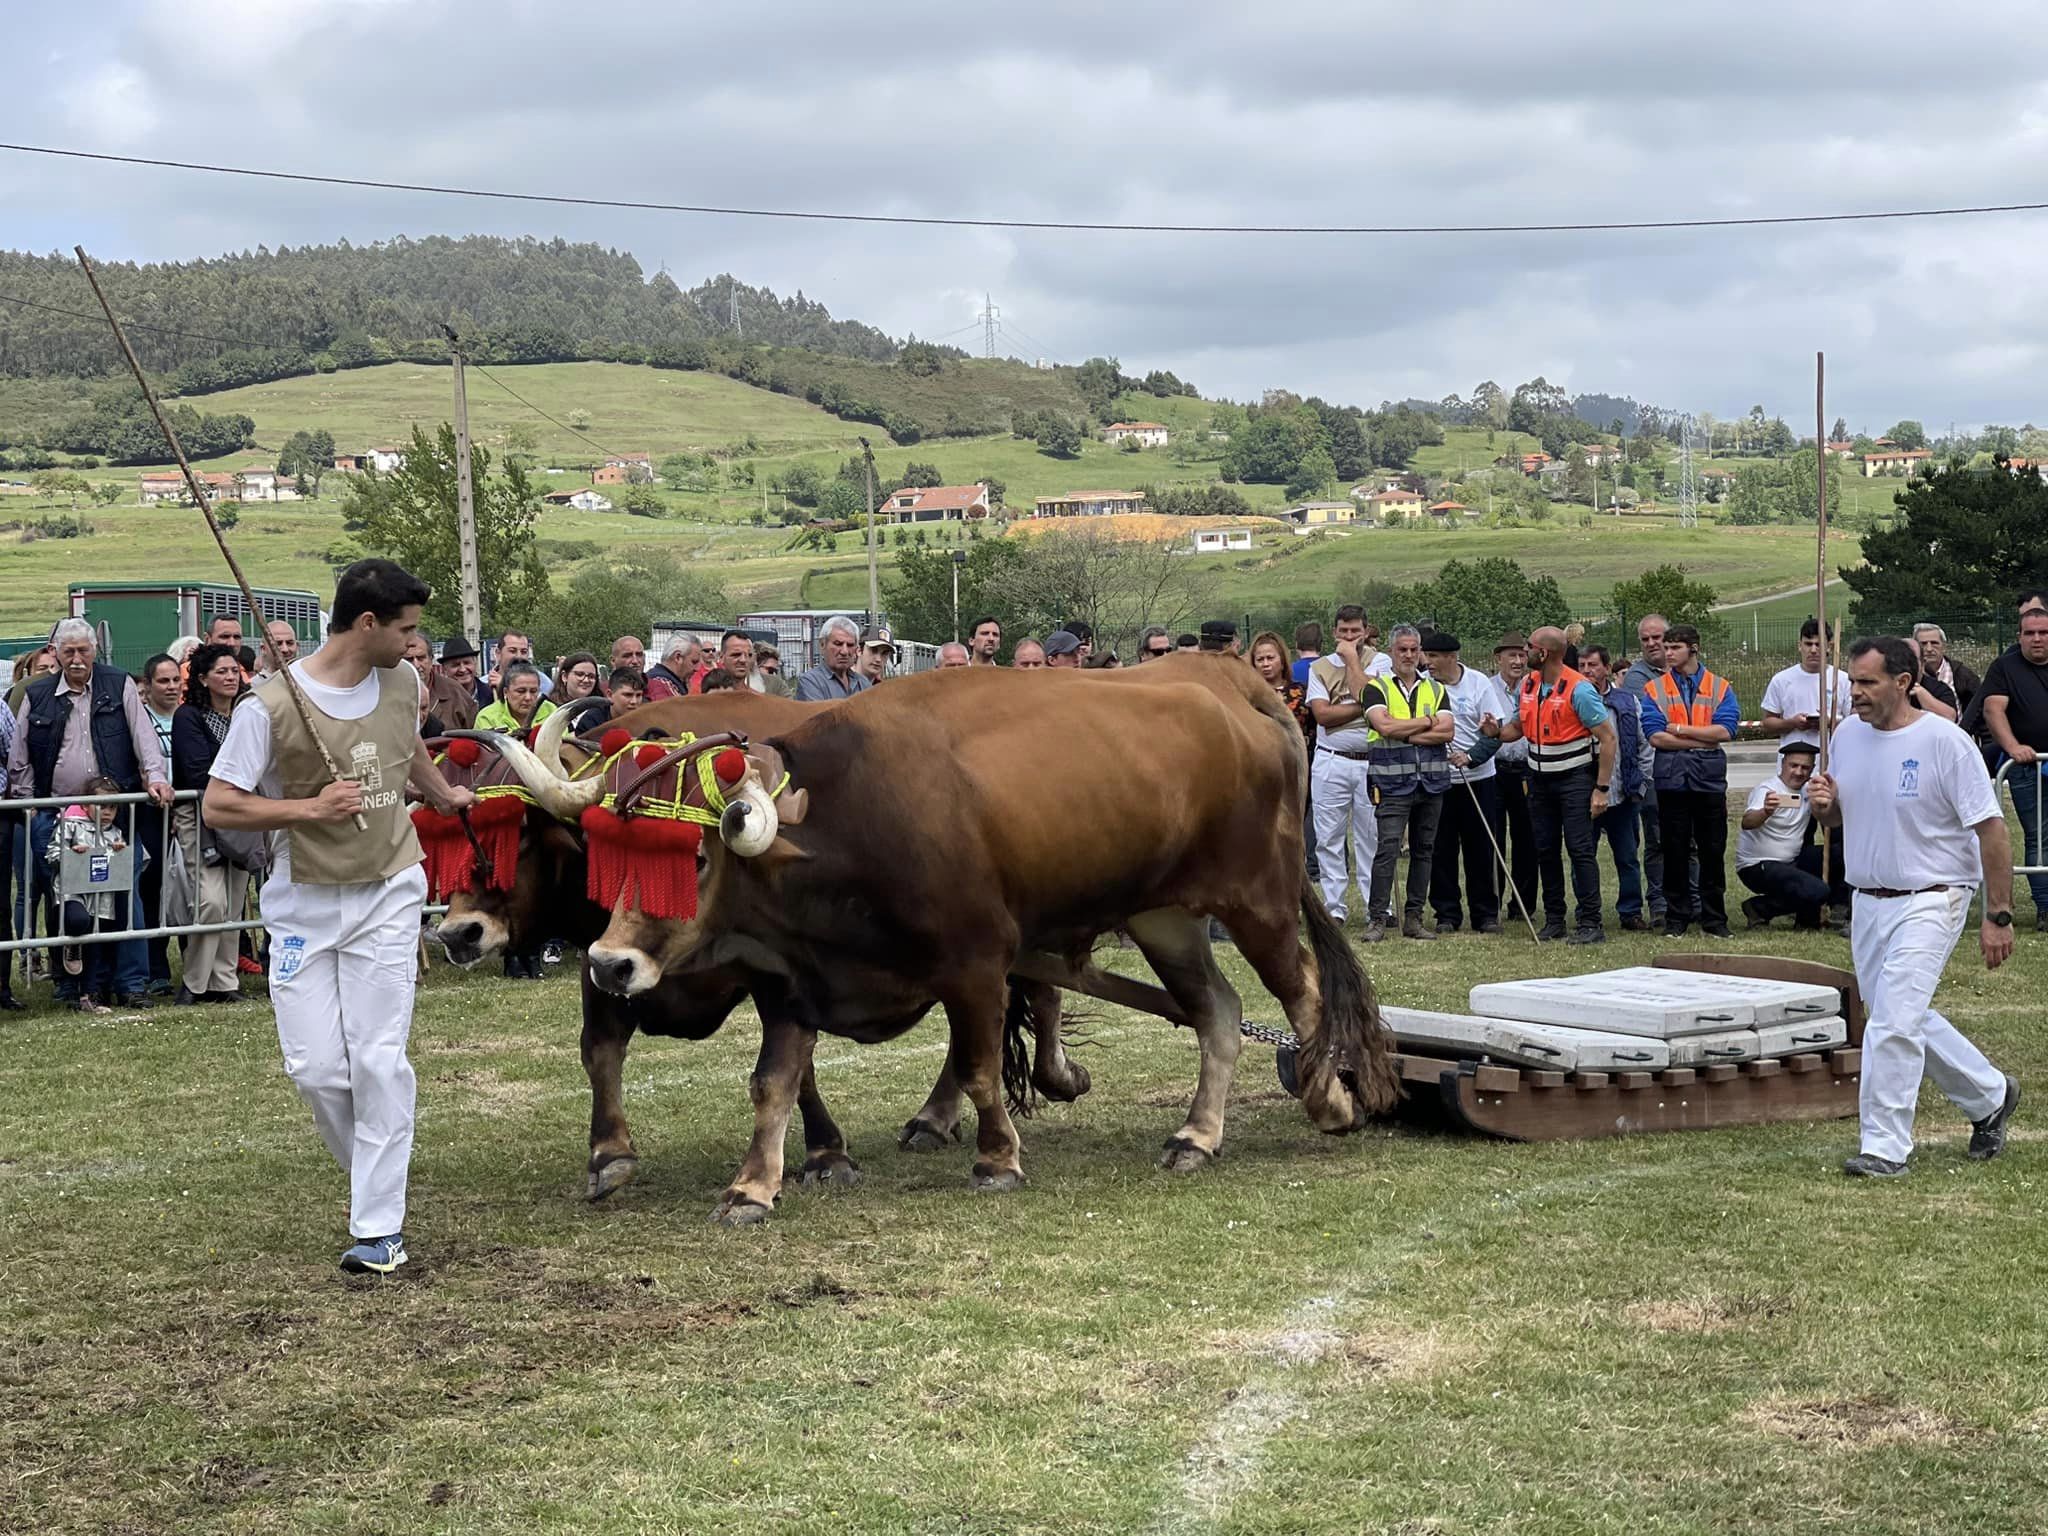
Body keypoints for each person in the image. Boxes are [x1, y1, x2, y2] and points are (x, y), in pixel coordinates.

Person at [204, 558, 474, 1273]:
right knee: (317, 1069)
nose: (417, 646)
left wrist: (440, 790)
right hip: (304, 905)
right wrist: (307, 808)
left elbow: (402, 745)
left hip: (390, 889)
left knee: (379, 1059)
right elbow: (219, 803)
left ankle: (379, 1228)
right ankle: (377, 1168)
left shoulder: (403, 682)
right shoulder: (270, 705)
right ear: (366, 624)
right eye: (407, 631)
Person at [1804, 636, 2021, 1178]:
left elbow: (1991, 832)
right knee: (1900, 1016)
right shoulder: (1847, 737)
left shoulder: (1945, 742)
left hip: (1935, 895)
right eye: (1852, 681)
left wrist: (1998, 914)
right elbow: (1839, 821)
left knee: (1893, 1023)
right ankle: (1990, 1095)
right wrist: (1825, 809)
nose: (1854, 693)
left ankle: (1884, 1147)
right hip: (1869, 899)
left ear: (1903, 684)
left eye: (1867, 682)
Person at [7, 617, 174, 1009]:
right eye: (69, 651)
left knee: (125, 894)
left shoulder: (119, 685)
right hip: (59, 812)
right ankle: (74, 985)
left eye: (83, 650)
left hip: (116, 809)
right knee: (63, 899)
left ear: (95, 650)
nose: (77, 658)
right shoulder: (38, 693)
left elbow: (143, 736)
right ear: (56, 653)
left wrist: (154, 777)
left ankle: (130, 982)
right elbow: (20, 753)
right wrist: (31, 804)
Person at [1488, 626, 1617, 945]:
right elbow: (1517, 727)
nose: (1523, 652)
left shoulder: (1579, 689)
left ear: (1543, 653)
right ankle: (1555, 919)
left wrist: (1600, 788)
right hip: (1538, 779)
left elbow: (1608, 737)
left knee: (1580, 849)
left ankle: (1590, 922)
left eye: (1528, 647)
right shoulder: (1529, 684)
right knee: (1544, 849)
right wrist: (1495, 732)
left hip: (1574, 779)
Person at [1639, 623, 1739, 938]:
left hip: (1708, 781)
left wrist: (1680, 730)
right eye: (1666, 648)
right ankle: (1676, 917)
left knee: (1712, 849)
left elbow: (1726, 731)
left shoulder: (1719, 686)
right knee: (1674, 849)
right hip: (1671, 780)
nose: (1667, 653)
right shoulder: (1654, 689)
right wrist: (1701, 740)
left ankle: (1714, 919)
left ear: (1693, 648)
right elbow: (1655, 736)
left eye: (1674, 647)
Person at [171, 641, 255, 1005]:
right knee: (211, 902)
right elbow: (194, 770)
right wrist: (236, 780)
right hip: (201, 814)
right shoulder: (188, 717)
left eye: (233, 670)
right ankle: (194, 981)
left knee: (235, 899)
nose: (230, 677)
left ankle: (224, 982)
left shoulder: (247, 713)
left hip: (243, 814)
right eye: (221, 671)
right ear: (202, 678)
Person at [1362, 625, 1453, 941]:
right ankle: (1377, 918)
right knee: (1386, 850)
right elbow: (1384, 726)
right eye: (1403, 649)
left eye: (1414, 649)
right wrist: (1428, 722)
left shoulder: (1436, 689)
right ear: (1391, 652)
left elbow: (1448, 732)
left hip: (1431, 782)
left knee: (1424, 851)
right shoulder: (1376, 689)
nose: (1409, 655)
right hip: (1392, 783)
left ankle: (1414, 918)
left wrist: (1408, 731)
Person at [1307, 604, 1394, 926]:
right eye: (1343, 631)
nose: (1348, 637)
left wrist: (1353, 661)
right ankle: (1334, 908)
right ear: (1334, 632)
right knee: (1328, 836)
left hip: (1370, 761)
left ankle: (1378, 906)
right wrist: (1366, 707)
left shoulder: (1381, 661)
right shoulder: (1319, 667)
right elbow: (1323, 716)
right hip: (1331, 761)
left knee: (1370, 835)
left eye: (1355, 631)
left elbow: (1369, 695)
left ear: (1366, 631)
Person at [1423, 632, 1508, 935]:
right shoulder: (1423, 685)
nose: (1427, 662)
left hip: (1477, 778)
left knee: (1480, 848)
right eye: (1426, 656)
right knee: (1440, 849)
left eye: (1433, 657)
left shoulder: (1478, 683)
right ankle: (1446, 913)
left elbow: (1495, 732)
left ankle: (1485, 913)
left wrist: (1471, 756)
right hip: (1438, 780)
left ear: (1451, 657)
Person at [1975, 604, 2048, 927]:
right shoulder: (2004, 668)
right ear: (2019, 637)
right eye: (2029, 633)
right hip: (2027, 768)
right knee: (2038, 838)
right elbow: (1993, 710)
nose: (2037, 639)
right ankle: (2046, 908)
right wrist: (2013, 746)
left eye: (2043, 633)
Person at [46, 774, 141, 1014]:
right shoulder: (70, 825)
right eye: (101, 806)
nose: (107, 812)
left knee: (100, 946)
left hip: (103, 898)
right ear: (86, 805)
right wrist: (73, 854)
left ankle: (91, 996)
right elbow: (52, 854)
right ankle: (71, 952)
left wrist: (119, 851)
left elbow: (119, 865)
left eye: (112, 807)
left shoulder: (116, 833)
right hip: (72, 894)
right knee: (78, 922)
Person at [1737, 741, 1846, 931]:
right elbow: (1747, 822)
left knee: (1840, 855)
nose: (1798, 772)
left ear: (1812, 769)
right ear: (1782, 765)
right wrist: (1766, 811)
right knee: (1818, 890)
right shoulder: (1767, 790)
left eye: (1805, 767)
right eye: (1793, 766)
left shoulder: (1808, 790)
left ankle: (1815, 918)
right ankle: (1758, 908)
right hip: (1758, 866)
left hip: (1792, 861)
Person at [1581, 644, 1650, 931]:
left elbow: (1642, 742)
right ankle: (1587, 911)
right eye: (1582, 666)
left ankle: (1631, 911)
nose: (1587, 671)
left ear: (1607, 668)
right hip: (1585, 794)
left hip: (1623, 792)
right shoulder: (1574, 700)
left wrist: (1643, 781)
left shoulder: (1627, 701)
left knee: (1627, 856)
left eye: (1593, 665)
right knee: (1583, 856)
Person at [137, 652, 185, 993]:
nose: (170, 687)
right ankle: (156, 970)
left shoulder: (188, 717)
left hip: (187, 813)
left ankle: (196, 967)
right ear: (148, 685)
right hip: (152, 815)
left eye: (175, 680)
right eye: (163, 681)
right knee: (151, 891)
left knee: (188, 893)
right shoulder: (140, 720)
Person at [1619, 613, 1671, 925]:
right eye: (1645, 639)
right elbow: (1656, 719)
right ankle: (1659, 905)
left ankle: (1690, 901)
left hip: (1688, 770)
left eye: (1657, 637)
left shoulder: (1689, 673)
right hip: (1652, 771)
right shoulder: (1637, 677)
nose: (1651, 643)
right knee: (1656, 841)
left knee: (1689, 841)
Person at [1489, 631, 1537, 919]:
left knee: (1527, 839)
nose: (1518, 661)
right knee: (1494, 839)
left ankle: (1523, 905)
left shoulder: (1533, 687)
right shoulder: (1486, 687)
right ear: (1499, 658)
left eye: (1522, 655)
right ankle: (1491, 903)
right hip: (1495, 770)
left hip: (1526, 771)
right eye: (1512, 656)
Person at [1761, 618, 1853, 750]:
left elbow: (1855, 722)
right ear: (1800, 645)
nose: (1814, 650)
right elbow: (1768, 724)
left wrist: (1830, 722)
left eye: (1819, 644)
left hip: (1832, 760)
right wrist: (1792, 723)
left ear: (1829, 647)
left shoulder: (1842, 680)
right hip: (1792, 763)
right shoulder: (1781, 680)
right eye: (1808, 644)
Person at [794, 616, 871, 702]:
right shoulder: (810, 681)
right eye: (838, 644)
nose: (844, 651)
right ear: (822, 645)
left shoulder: (863, 682)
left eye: (850, 645)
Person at [1915, 623, 1979, 719]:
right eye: (1923, 644)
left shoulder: (1963, 675)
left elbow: (1978, 709)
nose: (1929, 649)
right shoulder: (1906, 676)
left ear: (1944, 646)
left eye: (1934, 643)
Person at [473, 661, 555, 736]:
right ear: (506, 692)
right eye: (521, 691)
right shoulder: (487, 717)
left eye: (533, 691)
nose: (528, 697)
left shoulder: (551, 711)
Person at [427, 636, 480, 730]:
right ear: (444, 669)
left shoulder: (492, 693)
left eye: (467, 663)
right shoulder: (431, 698)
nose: (463, 669)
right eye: (455, 665)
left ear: (475, 663)